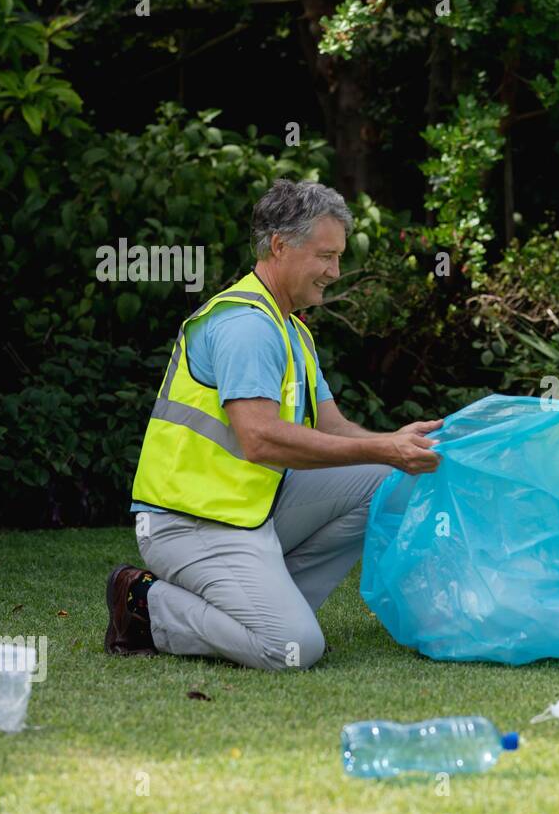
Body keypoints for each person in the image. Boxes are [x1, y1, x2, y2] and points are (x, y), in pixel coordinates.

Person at [105, 179, 441, 670]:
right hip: (190, 523)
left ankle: (269, 604)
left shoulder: (290, 327)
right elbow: (259, 438)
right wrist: (384, 450)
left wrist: (397, 445)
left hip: (250, 510)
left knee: (389, 480)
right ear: (280, 246)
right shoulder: (246, 325)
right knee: (293, 650)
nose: (336, 271)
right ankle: (145, 602)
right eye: (326, 256)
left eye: (339, 256)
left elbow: (333, 427)